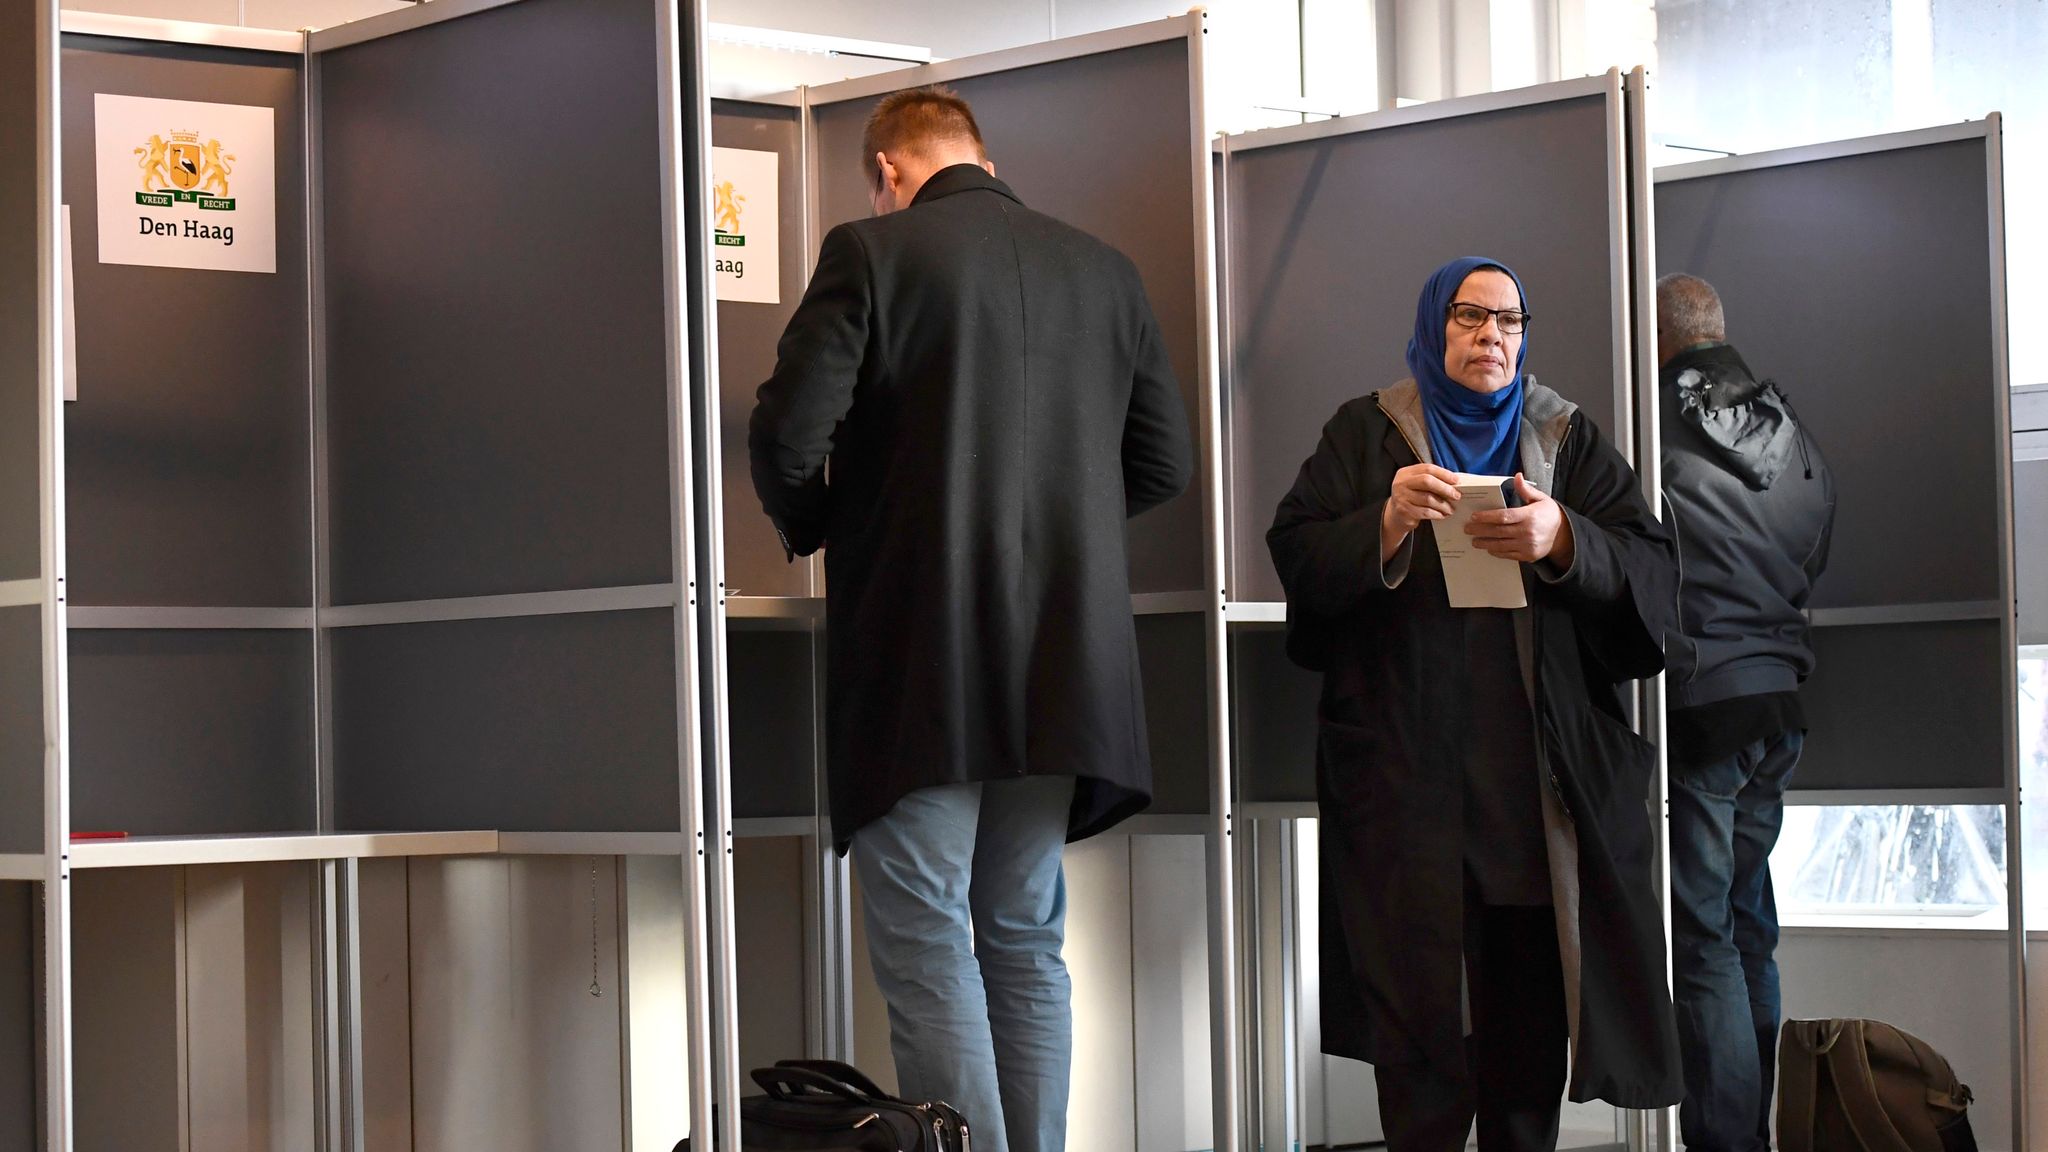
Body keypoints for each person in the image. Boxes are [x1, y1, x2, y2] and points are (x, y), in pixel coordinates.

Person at [748, 86, 1193, 1152]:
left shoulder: (874, 251)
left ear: (888, 171)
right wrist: (1061, 530)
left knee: (926, 935)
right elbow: (1162, 463)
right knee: (1022, 935)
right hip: (1063, 663)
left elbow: (785, 435)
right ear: (978, 157)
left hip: (921, 651)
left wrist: (826, 527)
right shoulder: (1104, 269)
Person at [1268, 257, 1684, 1152]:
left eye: (1509, 321)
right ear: (1434, 325)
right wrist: (1382, 524)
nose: (1491, 336)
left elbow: (1651, 571)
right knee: (1417, 1060)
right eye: (1469, 317)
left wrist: (1564, 535)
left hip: (1530, 804)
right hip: (1404, 796)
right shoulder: (1366, 432)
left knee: (1524, 1063)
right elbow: (1296, 553)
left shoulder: (1566, 438)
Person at [1656, 273, 1835, 1152]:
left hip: (1703, 709)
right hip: (1779, 709)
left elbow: (1635, 567)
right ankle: (1754, 1135)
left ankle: (1727, 1144)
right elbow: (1815, 553)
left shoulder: (1653, 422)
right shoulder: (1790, 434)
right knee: (1748, 926)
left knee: (1704, 941)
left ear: (1656, 337)